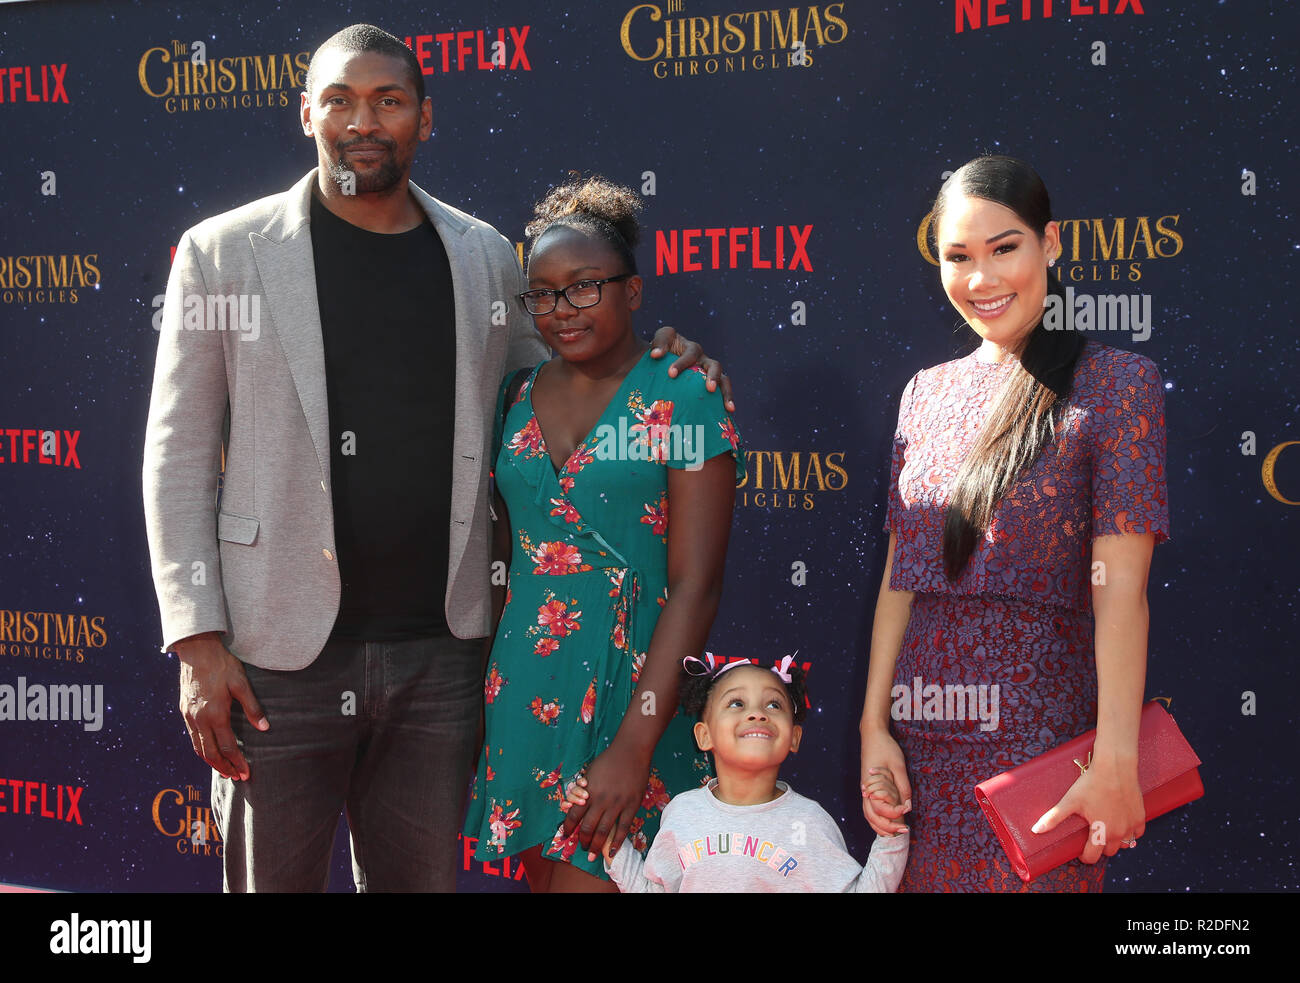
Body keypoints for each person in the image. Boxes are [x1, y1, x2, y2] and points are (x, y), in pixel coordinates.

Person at [142, 24, 725, 893]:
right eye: (339, 99)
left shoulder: (485, 257)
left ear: (425, 117)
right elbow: (178, 449)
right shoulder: (224, 253)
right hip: (276, 657)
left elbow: (570, 376)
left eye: (388, 100)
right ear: (306, 112)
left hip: (443, 657)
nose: (362, 120)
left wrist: (667, 358)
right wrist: (197, 643)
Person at [858, 154, 1169, 892]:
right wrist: (875, 727)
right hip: (921, 754)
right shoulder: (923, 394)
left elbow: (1120, 592)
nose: (982, 278)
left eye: (1006, 248)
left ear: (1050, 244)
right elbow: (901, 578)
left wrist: (1116, 759)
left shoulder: (1119, 384)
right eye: (958, 257)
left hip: (1038, 752)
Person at [461, 175, 744, 892]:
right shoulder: (512, 396)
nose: (562, 310)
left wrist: (635, 744)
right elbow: (502, 563)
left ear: (633, 291)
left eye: (585, 287)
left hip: (636, 696)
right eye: (545, 293)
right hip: (527, 692)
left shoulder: (684, 394)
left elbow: (696, 584)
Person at [566, 654, 909, 892]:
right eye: (736, 704)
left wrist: (890, 832)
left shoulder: (808, 822)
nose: (758, 714)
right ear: (705, 735)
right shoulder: (683, 813)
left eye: (773, 704)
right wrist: (612, 843)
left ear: (794, 736)